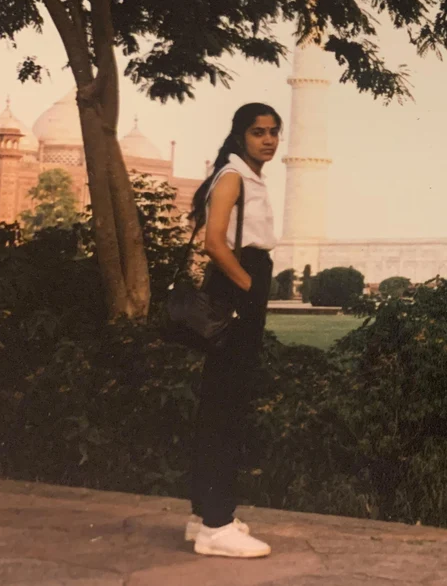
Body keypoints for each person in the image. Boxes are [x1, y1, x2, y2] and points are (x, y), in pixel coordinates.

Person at [185, 103, 281, 558]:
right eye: (258, 132)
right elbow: (213, 241)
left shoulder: (246, 174)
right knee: (227, 406)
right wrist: (247, 287)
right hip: (239, 284)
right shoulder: (233, 176)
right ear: (240, 135)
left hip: (244, 282)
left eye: (274, 132)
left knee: (219, 400)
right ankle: (216, 526)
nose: (268, 139)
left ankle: (203, 513)